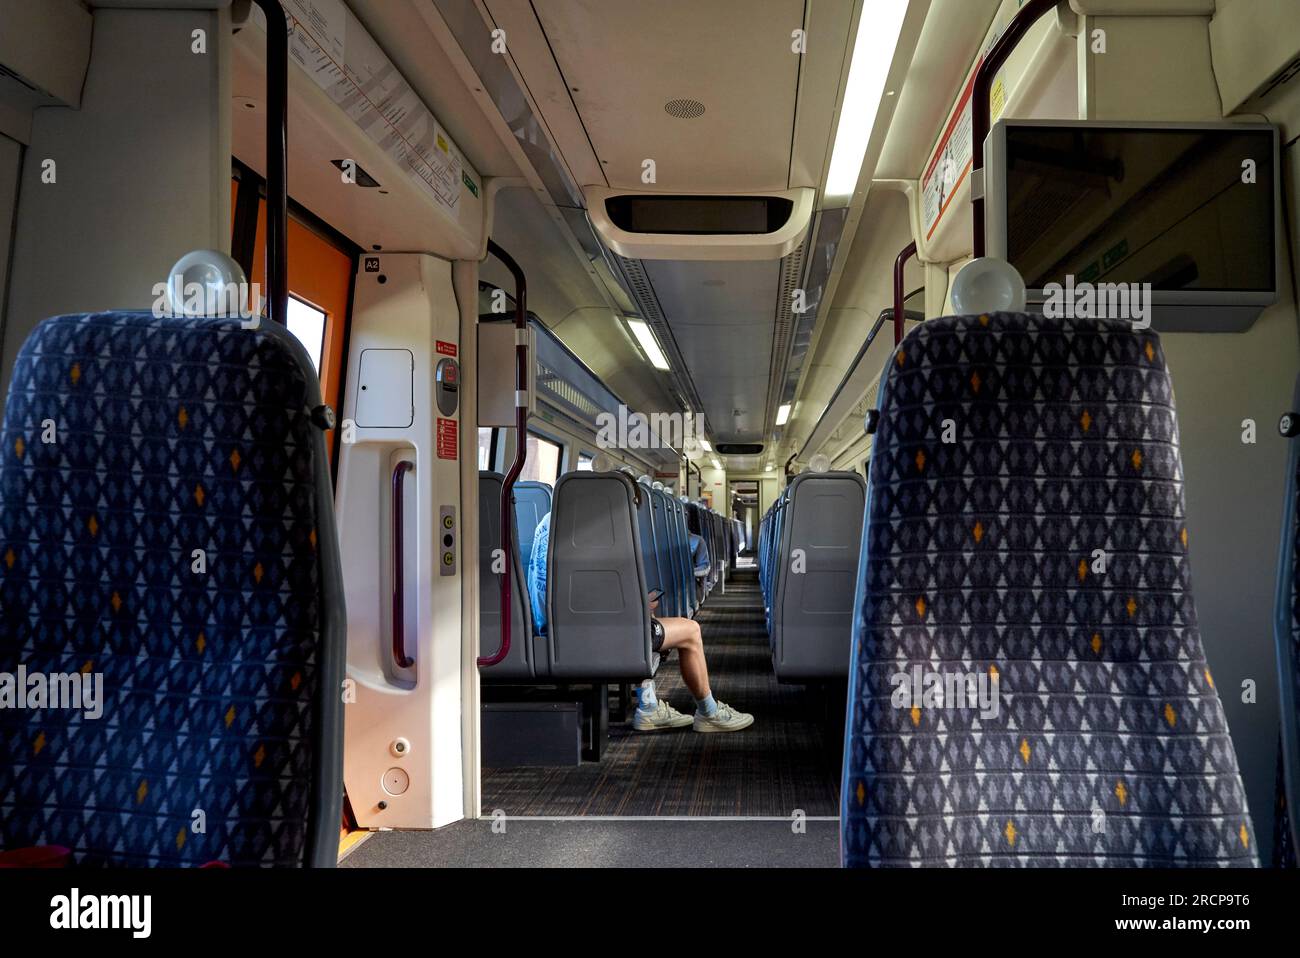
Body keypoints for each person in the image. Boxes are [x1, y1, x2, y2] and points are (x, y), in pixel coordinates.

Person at [527, 488, 754, 734]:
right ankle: (708, 712)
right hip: (593, 637)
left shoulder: (548, 523)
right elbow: (602, 604)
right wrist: (640, 604)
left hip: (545, 629)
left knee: (643, 618)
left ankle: (649, 705)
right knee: (690, 631)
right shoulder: (602, 533)